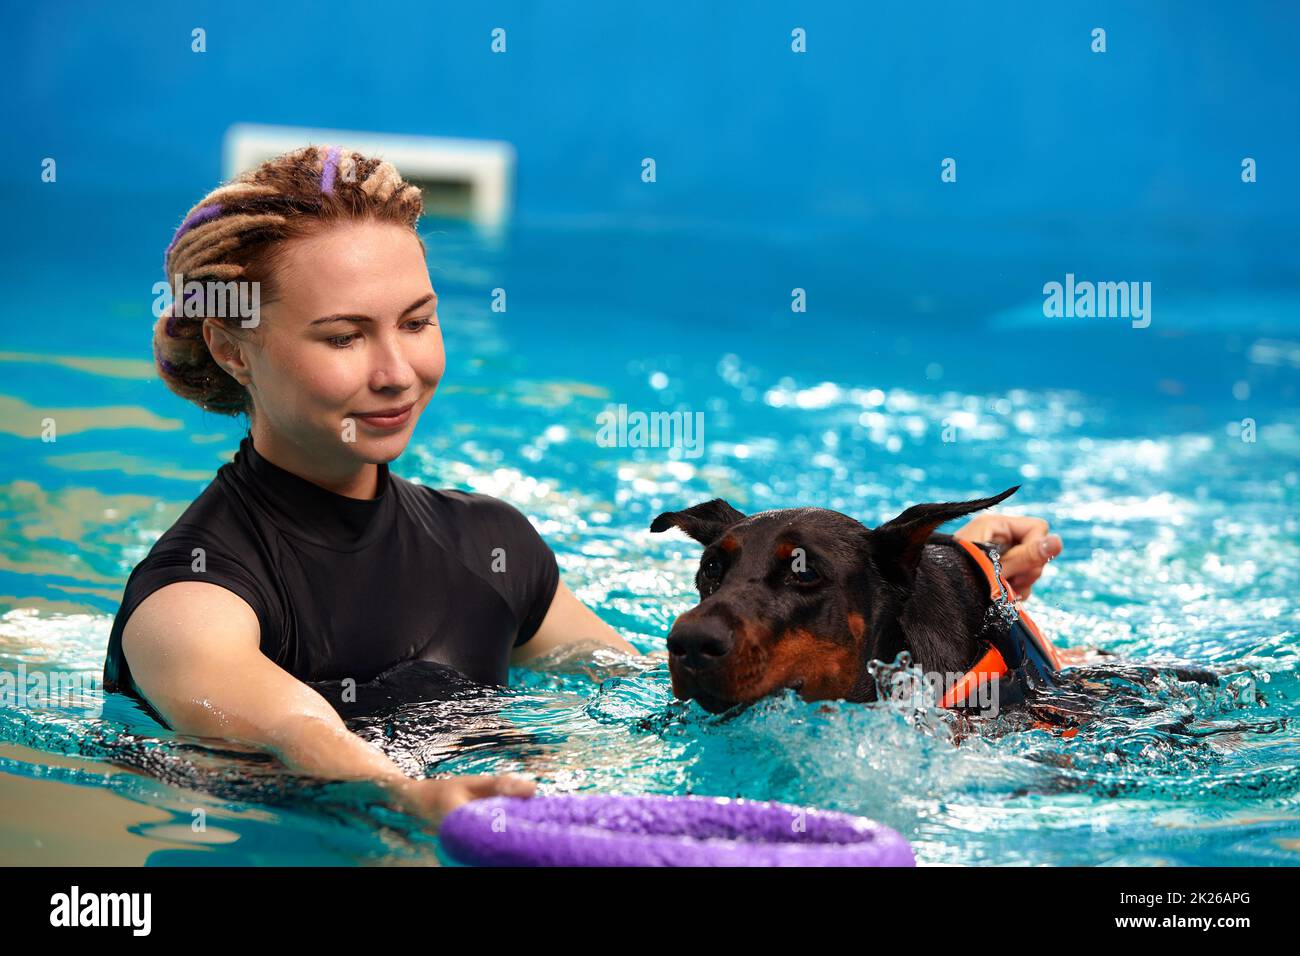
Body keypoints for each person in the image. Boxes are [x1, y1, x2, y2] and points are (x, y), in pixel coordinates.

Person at [103, 145, 1063, 828]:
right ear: (233, 347)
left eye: (418, 322)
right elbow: (290, 725)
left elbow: (658, 690)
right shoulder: (192, 594)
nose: (397, 372)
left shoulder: (491, 547)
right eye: (345, 336)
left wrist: (956, 586)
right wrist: (407, 797)